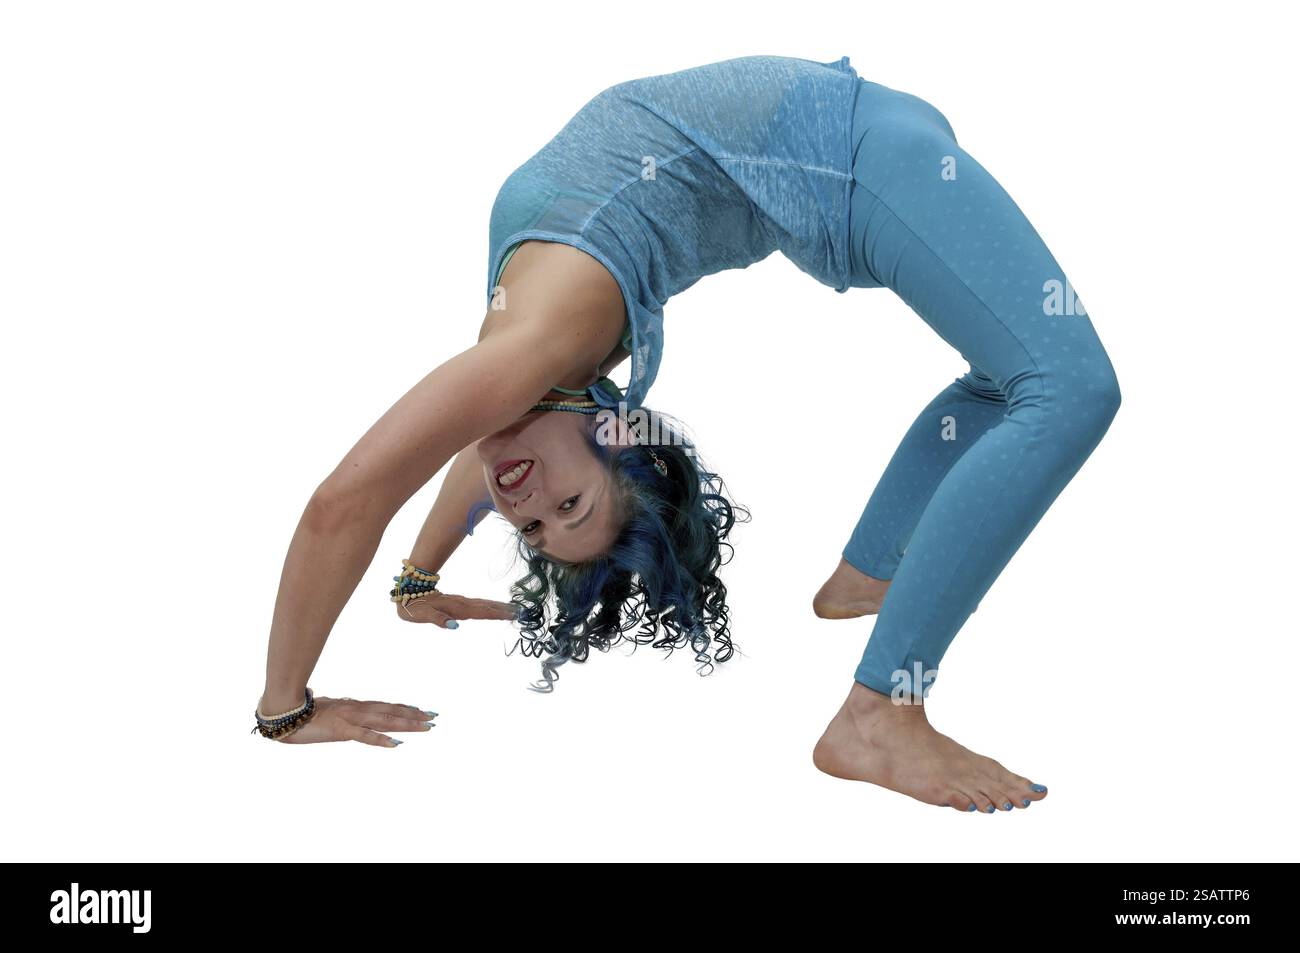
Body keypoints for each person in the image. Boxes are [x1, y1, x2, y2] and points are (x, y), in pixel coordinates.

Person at [254, 55, 1120, 815]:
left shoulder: (531, 363)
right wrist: (354, 639)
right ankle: (877, 710)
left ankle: (872, 591)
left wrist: (344, 648)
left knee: (1040, 383)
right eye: (562, 510)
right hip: (854, 161)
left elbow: (363, 497)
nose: (524, 500)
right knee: (1061, 384)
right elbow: (428, 477)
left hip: (852, 155)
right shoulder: (537, 376)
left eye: (541, 522)